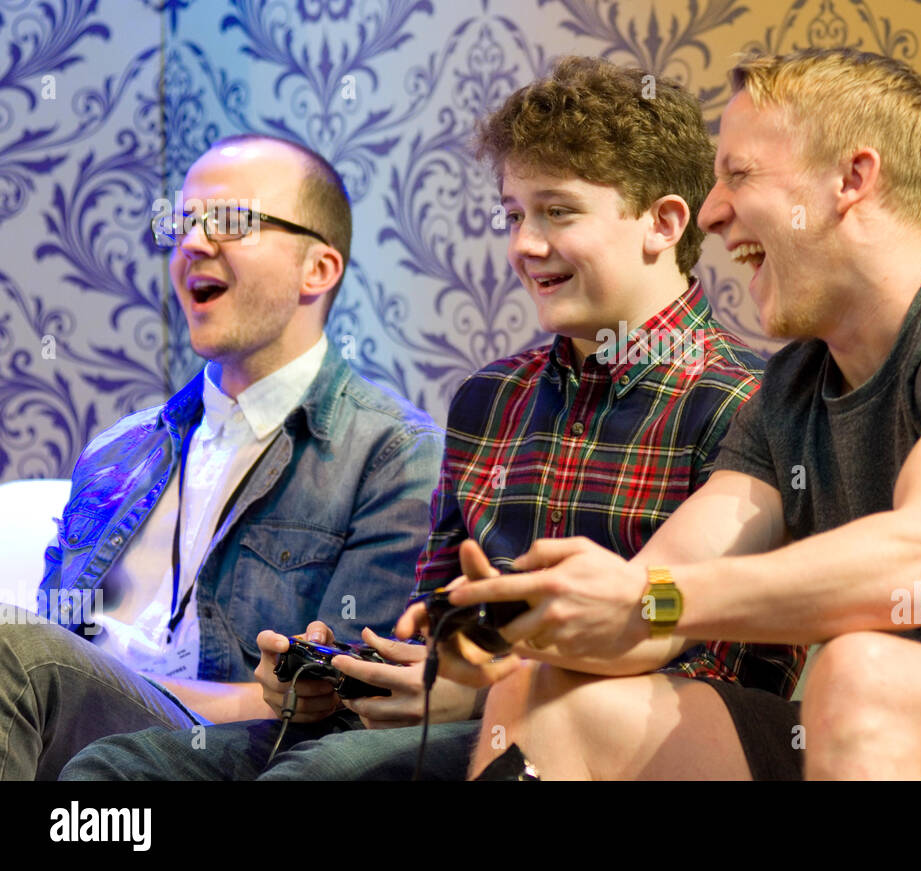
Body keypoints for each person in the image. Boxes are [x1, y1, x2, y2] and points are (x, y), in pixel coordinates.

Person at [430, 48, 921, 781]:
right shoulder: (794, 385)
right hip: (871, 722)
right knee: (548, 695)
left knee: (864, 672)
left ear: (851, 178)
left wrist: (648, 598)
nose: (712, 211)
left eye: (737, 174)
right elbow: (663, 594)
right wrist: (517, 626)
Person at [61, 57, 803, 781]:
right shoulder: (492, 397)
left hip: (631, 735)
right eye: (514, 213)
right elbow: (428, 616)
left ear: (663, 223)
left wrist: (484, 683)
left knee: (324, 774)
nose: (524, 244)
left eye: (557, 211)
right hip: (447, 721)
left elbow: (709, 662)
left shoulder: (745, 399)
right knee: (116, 765)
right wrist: (340, 669)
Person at [0, 134, 441, 780]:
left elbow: (354, 709)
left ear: (317, 269)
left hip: (226, 754)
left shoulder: (394, 457)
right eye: (181, 223)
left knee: (20, 650)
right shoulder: (119, 451)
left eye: (230, 221)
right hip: (58, 733)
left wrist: (70, 674)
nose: (193, 242)